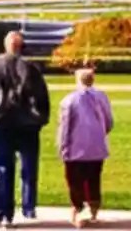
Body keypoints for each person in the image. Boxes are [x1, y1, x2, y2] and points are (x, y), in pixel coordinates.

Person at [0, 31, 51, 228]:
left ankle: (2, 213)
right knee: (28, 167)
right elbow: (42, 97)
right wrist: (41, 119)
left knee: (2, 168)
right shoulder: (31, 68)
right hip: (28, 125)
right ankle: (28, 206)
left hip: (3, 123)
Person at [58, 68, 114, 229]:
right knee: (93, 178)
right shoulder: (102, 97)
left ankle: (78, 207)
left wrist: (63, 146)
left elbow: (65, 127)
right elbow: (109, 121)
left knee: (75, 180)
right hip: (97, 147)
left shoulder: (69, 100)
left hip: (76, 148)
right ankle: (94, 207)